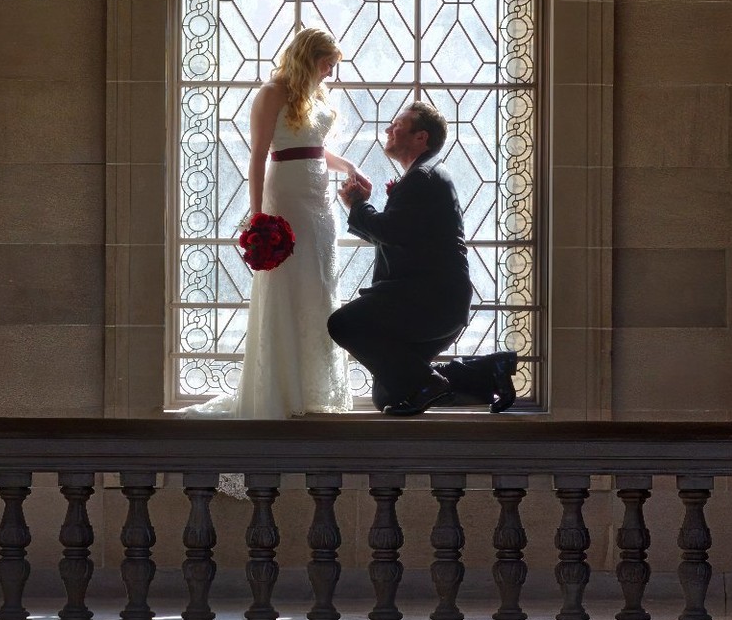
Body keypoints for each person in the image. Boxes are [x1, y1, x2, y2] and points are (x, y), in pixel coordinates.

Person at [184, 26, 366, 418]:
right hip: (285, 196)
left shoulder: (314, 95)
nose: (330, 73)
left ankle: (312, 388)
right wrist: (257, 215)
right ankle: (282, 389)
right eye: (326, 64)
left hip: (319, 203)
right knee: (286, 281)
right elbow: (258, 156)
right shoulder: (271, 94)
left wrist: (347, 164)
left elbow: (315, 148)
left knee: (318, 282)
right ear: (308, 57)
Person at [328, 100, 517, 416]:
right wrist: (364, 210)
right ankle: (488, 373)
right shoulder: (423, 177)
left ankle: (433, 382)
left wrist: (359, 205)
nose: (389, 129)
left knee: (344, 324)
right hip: (434, 301)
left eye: (398, 124)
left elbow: (389, 232)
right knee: (388, 395)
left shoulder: (423, 178)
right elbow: (396, 236)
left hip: (429, 302)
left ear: (421, 137)